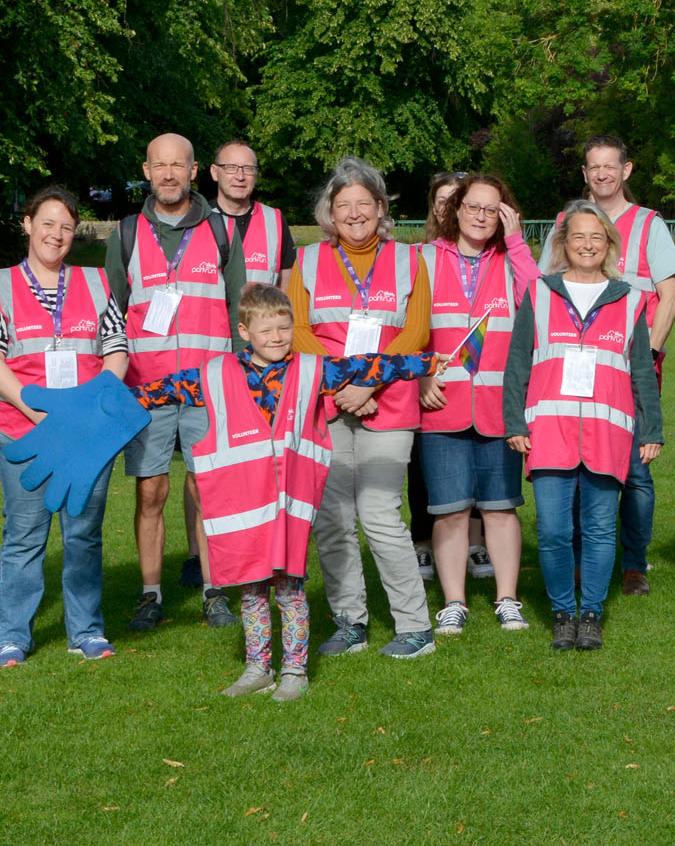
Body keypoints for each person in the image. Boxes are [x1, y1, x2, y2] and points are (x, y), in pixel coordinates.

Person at [129, 284, 443, 697]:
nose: (277, 338)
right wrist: (102, 404)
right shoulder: (215, 374)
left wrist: (426, 362)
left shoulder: (312, 370)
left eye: (284, 328)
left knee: (290, 589)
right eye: (266, 330)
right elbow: (156, 392)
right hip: (245, 509)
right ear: (244, 331)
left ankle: (295, 671)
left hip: (288, 510)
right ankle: (258, 669)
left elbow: (369, 367)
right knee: (251, 591)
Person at [291, 158, 441, 657]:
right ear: (329, 213)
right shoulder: (308, 260)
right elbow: (297, 330)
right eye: (343, 205)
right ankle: (349, 621)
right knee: (332, 519)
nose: (354, 213)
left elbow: (417, 331)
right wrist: (341, 385)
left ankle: (415, 627)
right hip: (327, 402)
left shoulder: (408, 259)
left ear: (380, 208)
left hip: (388, 402)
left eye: (363, 203)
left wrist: (369, 383)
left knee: (378, 514)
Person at [0, 187, 130, 665]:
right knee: (24, 534)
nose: (56, 234)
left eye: (66, 227)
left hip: (86, 434)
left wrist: (89, 410)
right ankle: (12, 635)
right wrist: (38, 414)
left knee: (83, 534)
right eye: (47, 223)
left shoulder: (96, 282)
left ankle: (86, 630)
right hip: (24, 430)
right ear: (27, 224)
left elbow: (116, 349)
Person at [504, 202, 664, 650]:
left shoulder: (629, 298)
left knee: (599, 530)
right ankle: (562, 612)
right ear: (563, 243)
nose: (588, 245)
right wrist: (514, 421)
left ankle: (590, 612)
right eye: (578, 236)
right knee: (554, 531)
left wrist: (651, 429)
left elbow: (642, 371)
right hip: (548, 432)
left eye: (597, 237)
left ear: (609, 243)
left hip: (608, 435)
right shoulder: (539, 293)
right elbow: (517, 364)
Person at [107, 132, 245, 632]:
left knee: (207, 489)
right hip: (148, 389)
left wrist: (243, 377)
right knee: (151, 492)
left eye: (178, 165)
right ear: (147, 171)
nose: (169, 174)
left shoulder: (221, 230)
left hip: (208, 387)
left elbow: (239, 309)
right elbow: (112, 315)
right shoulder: (126, 232)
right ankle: (151, 594)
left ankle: (213, 590)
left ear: (193, 171)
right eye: (159, 165)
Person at [415, 172, 538, 634]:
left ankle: (507, 599)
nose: (481, 217)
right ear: (456, 209)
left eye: (492, 209)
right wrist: (420, 375)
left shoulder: (511, 260)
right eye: (473, 207)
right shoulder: (424, 257)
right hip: (440, 406)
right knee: (449, 512)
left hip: (497, 408)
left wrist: (517, 242)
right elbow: (405, 328)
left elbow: (538, 304)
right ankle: (454, 602)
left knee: (501, 509)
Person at [174, 139, 297, 593]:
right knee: (203, 461)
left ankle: (259, 545)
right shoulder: (196, 221)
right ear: (213, 172)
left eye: (248, 168)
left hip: (263, 361)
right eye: (231, 167)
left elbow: (287, 290)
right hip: (213, 356)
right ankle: (198, 554)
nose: (240, 176)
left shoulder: (275, 221)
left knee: (259, 457)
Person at [578, 135, 675, 597]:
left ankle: (634, 565)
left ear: (626, 170)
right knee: (579, 465)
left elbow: (669, 296)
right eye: (594, 166)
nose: (602, 174)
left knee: (636, 471)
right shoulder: (569, 220)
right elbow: (546, 290)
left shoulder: (648, 225)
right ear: (585, 173)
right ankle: (582, 559)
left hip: (633, 373)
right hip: (579, 372)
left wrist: (648, 356)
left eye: (610, 166)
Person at [407, 172, 487, 583]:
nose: (448, 208)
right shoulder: (420, 256)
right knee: (424, 471)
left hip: (475, 387)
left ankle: (475, 543)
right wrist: (421, 373)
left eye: (455, 200)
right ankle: (423, 542)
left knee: (477, 466)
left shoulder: (487, 257)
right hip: (429, 384)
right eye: (441, 201)